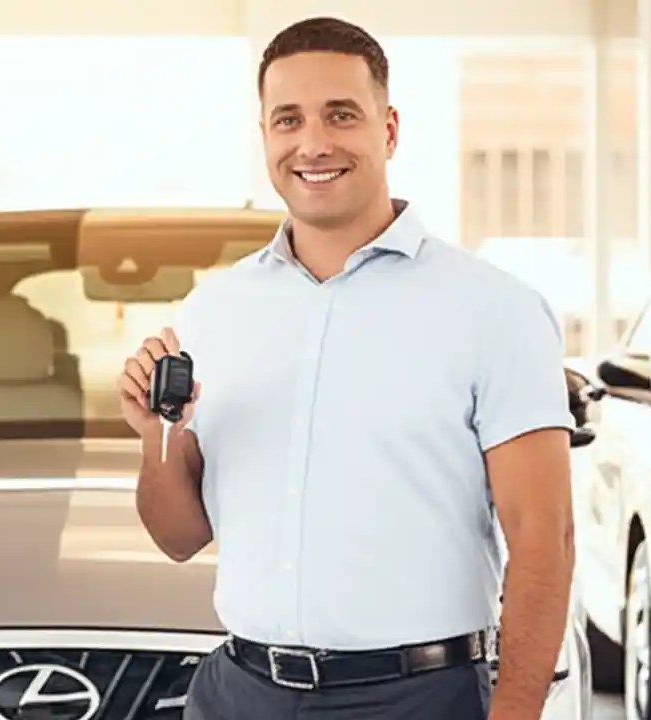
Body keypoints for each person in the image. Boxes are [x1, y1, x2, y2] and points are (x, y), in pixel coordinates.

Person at [117, 16, 576, 720]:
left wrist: (515, 712)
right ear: (265, 135)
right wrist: (155, 437)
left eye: (341, 115)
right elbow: (180, 537)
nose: (313, 144)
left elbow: (545, 537)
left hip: (422, 698)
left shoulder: (494, 309)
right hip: (239, 694)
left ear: (388, 130)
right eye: (288, 120)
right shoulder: (214, 310)